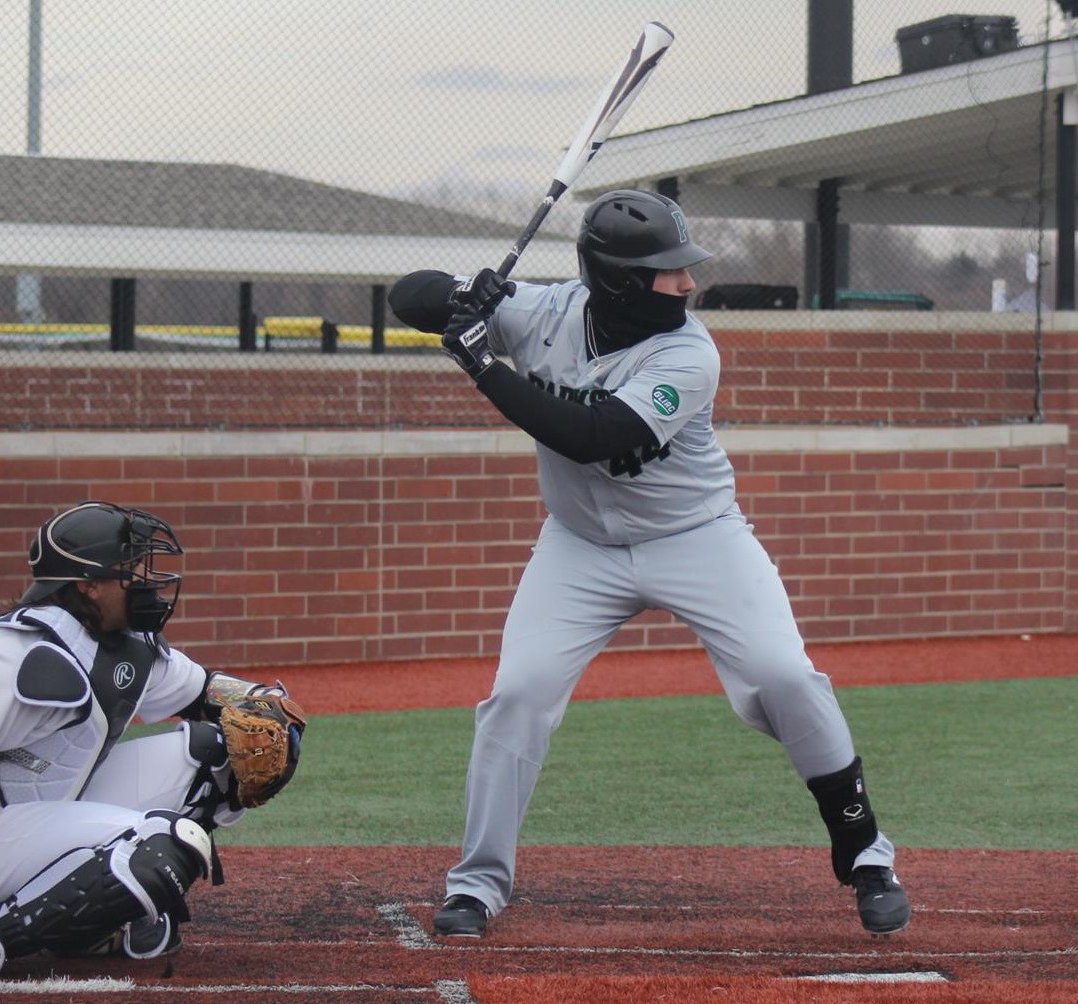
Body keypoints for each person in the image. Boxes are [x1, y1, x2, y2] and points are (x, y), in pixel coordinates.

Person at [387, 189, 908, 939]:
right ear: (621, 280)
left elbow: (595, 434)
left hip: (697, 536)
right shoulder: (543, 312)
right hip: (579, 546)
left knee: (785, 674)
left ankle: (864, 852)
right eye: (669, 272)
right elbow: (410, 298)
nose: (687, 284)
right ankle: (476, 884)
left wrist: (485, 369)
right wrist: (465, 294)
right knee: (519, 696)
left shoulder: (689, 352)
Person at [0, 501, 307, 981]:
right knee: (162, 842)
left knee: (212, 754)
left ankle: (90, 928)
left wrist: (267, 705)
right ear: (88, 585)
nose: (146, 581)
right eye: (131, 570)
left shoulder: (120, 641)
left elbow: (206, 691)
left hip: (37, 819)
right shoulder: (13, 657)